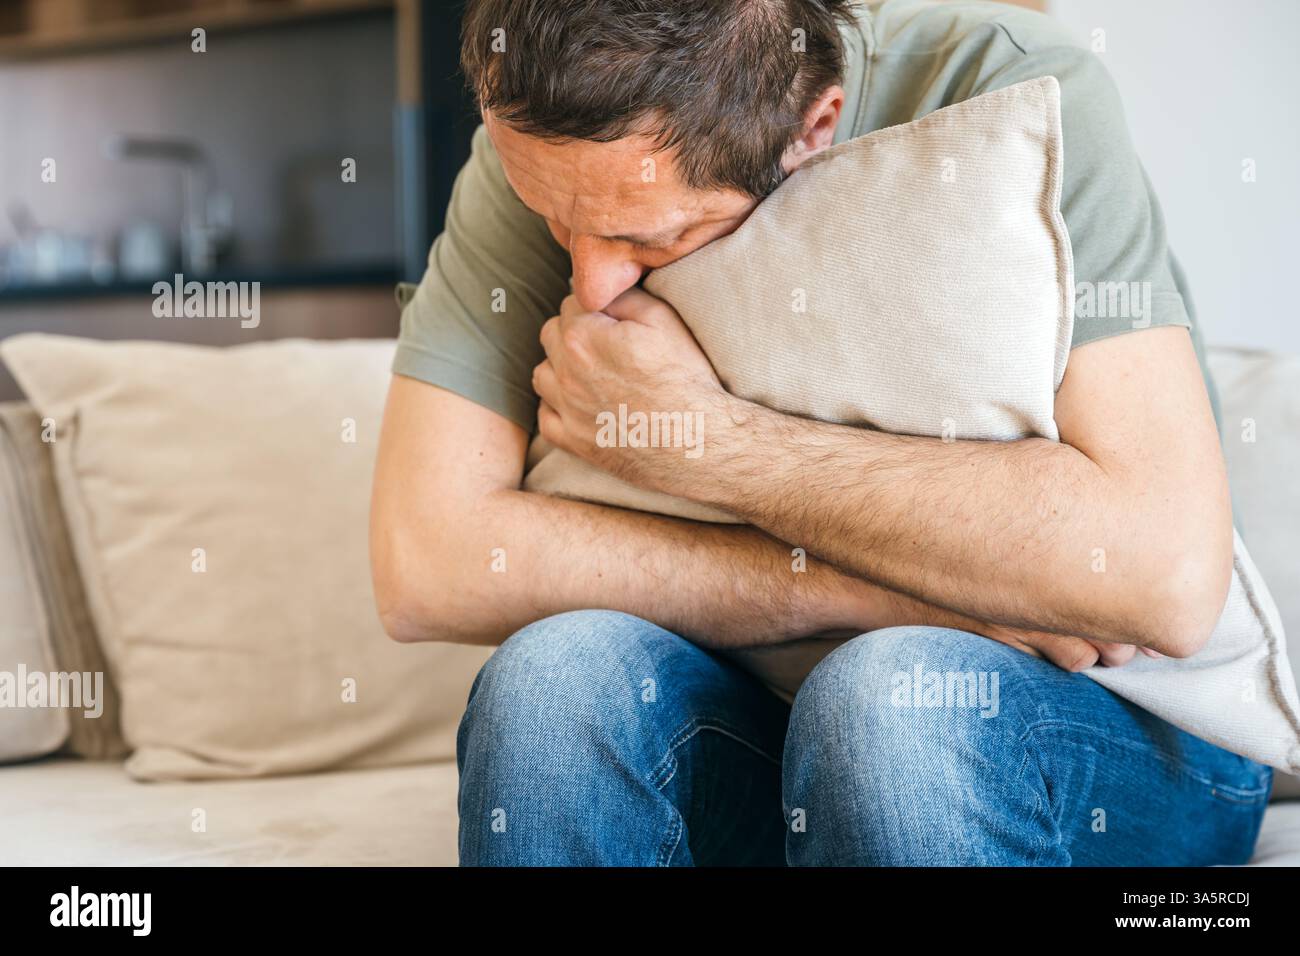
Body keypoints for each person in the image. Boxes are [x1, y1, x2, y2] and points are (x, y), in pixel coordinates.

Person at [369, 0, 1272, 865]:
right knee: (551, 685)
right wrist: (907, 596)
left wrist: (706, 444)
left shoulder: (1009, 81)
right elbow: (428, 559)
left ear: (815, 125)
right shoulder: (552, 151)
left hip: (1104, 726)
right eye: (554, 220)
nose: (595, 288)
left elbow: (1167, 576)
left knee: (891, 703)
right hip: (763, 714)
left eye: (654, 237)